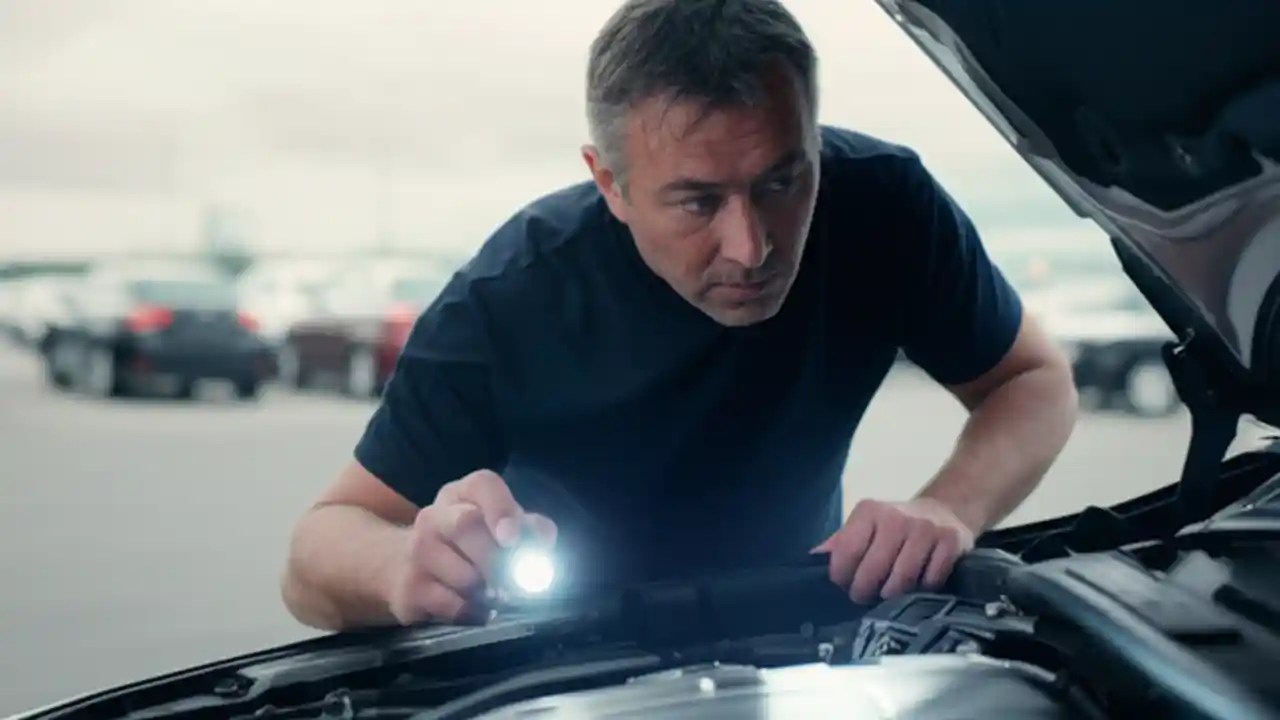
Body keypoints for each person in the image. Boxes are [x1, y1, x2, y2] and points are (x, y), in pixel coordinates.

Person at [280, 0, 1078, 631]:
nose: (752, 246)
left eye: (781, 180)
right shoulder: (513, 293)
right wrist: (401, 569)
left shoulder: (884, 203)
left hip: (799, 635)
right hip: (551, 655)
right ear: (609, 184)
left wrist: (949, 506)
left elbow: (1032, 379)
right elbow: (315, 555)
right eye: (698, 200)